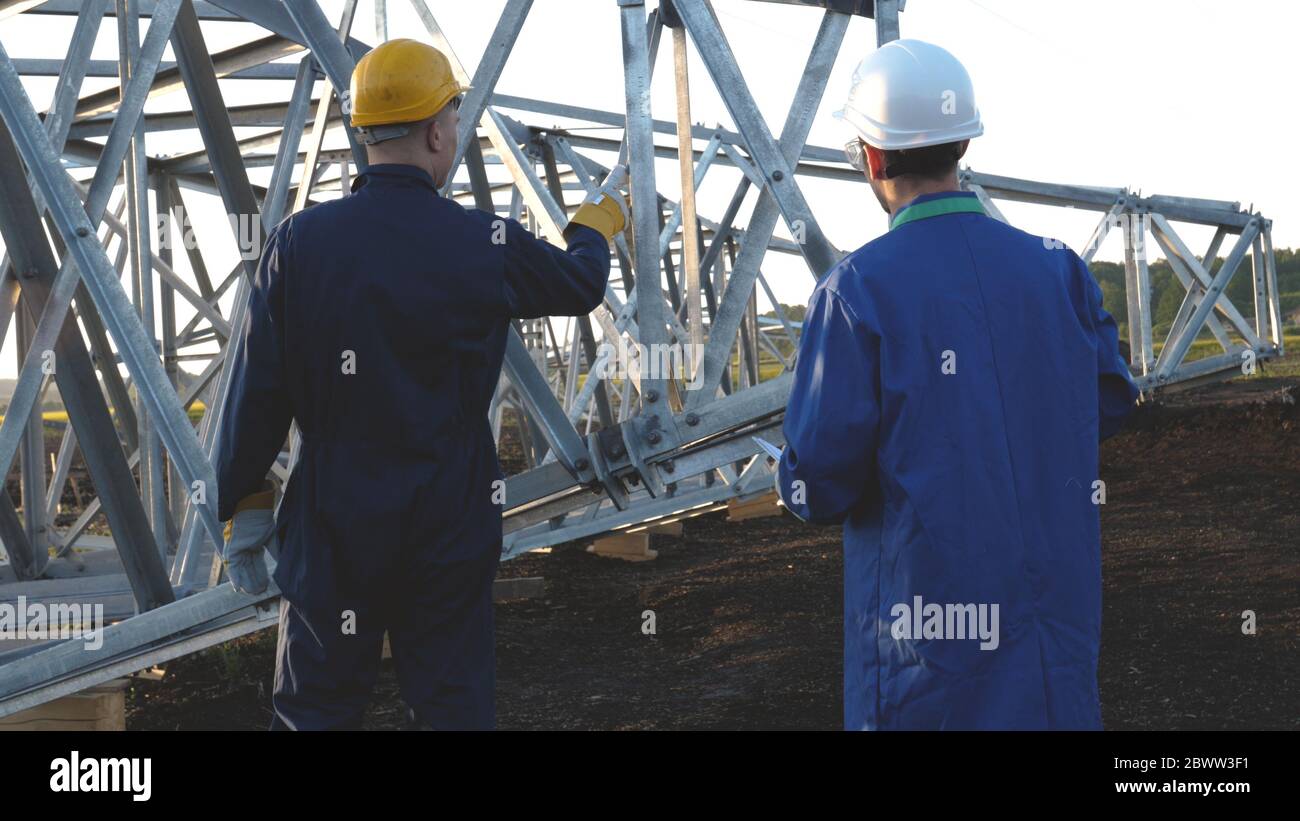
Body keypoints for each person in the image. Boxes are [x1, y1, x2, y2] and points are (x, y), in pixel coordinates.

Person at [214, 39, 627, 730]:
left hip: (334, 517)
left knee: (316, 710)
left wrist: (245, 501)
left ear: (365, 132)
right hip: (448, 514)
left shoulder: (297, 243)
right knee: (450, 707)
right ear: (436, 132)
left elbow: (257, 388)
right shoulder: (483, 241)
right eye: (455, 119)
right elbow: (580, 284)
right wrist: (594, 223)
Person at [776, 39, 1139, 729]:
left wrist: (787, 474)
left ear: (872, 158)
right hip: (1052, 645)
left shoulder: (854, 292)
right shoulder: (1057, 269)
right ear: (964, 144)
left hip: (924, 667)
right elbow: (1109, 401)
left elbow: (820, 483)